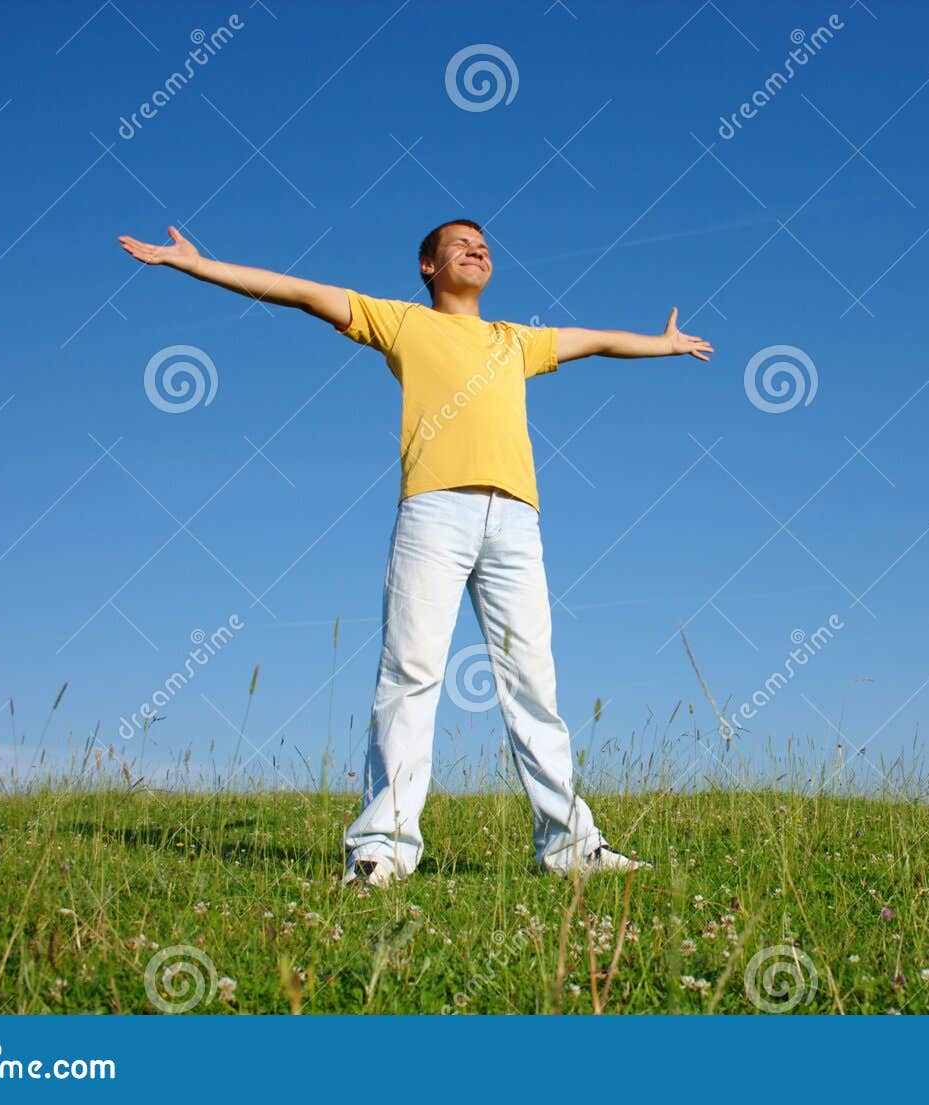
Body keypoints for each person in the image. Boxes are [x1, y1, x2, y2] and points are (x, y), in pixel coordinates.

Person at [117, 219, 713, 888]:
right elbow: (300, 292)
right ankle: (381, 848)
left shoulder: (516, 340)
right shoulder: (401, 323)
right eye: (460, 243)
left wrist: (662, 345)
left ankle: (572, 845)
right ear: (429, 266)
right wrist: (199, 265)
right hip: (434, 512)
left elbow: (600, 339)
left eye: (484, 243)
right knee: (410, 674)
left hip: (516, 521)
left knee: (534, 685)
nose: (477, 249)